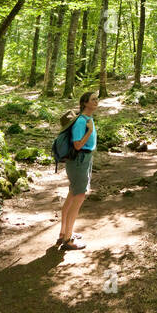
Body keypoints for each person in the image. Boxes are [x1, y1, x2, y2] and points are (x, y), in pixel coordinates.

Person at [55, 91, 97, 250]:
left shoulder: (87, 119)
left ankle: (63, 233)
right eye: (93, 99)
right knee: (78, 197)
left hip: (83, 160)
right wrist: (90, 131)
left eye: (97, 99)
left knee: (72, 195)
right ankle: (68, 240)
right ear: (85, 103)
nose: (96, 101)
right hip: (79, 161)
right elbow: (78, 145)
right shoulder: (81, 121)